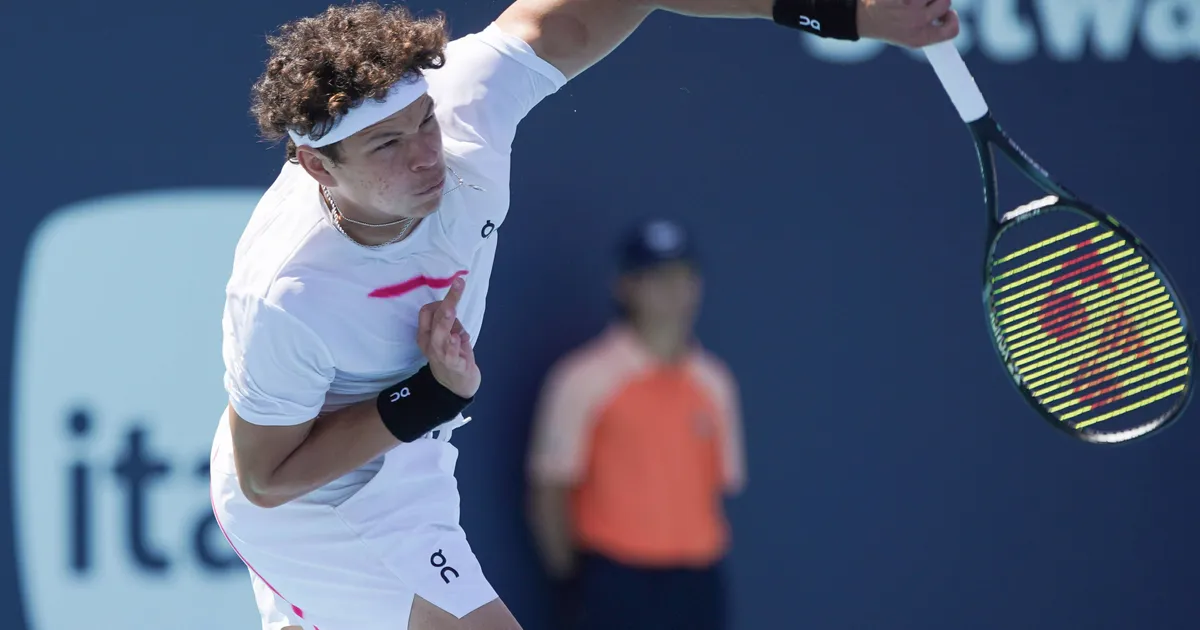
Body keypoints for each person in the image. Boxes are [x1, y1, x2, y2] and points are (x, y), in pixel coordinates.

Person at [208, 1, 961, 629]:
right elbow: (267, 478)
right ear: (316, 167)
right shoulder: (286, 293)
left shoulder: (469, 110)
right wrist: (429, 397)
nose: (426, 155)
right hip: (313, 505)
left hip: (414, 458)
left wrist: (846, 11)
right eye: (387, 144)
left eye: (424, 123)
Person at [526, 218, 745, 630]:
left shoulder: (714, 382)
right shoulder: (583, 378)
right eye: (657, 278)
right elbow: (549, 490)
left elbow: (719, 485)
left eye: (684, 277)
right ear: (626, 286)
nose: (673, 292)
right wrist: (575, 583)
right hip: (616, 578)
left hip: (697, 580)